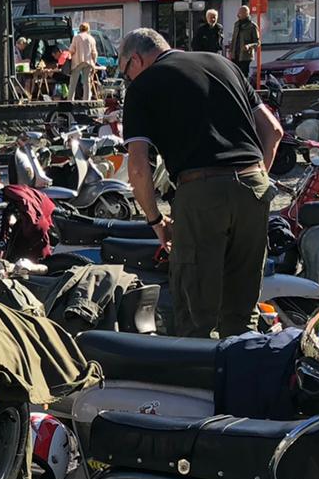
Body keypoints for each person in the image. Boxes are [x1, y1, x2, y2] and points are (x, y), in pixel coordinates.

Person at [117, 27, 283, 340]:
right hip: (255, 185)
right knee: (243, 309)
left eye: (126, 72)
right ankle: (242, 379)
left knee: (196, 312)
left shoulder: (143, 87)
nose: (128, 79)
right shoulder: (225, 64)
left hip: (200, 191)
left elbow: (138, 167)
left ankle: (199, 382)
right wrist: (255, 177)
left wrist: (155, 220)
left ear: (135, 60)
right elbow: (273, 131)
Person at [68, 20, 98, 102]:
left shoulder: (76, 37)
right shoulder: (91, 39)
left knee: (73, 82)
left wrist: (68, 55)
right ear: (88, 29)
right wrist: (94, 63)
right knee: (87, 82)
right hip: (88, 61)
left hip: (77, 61)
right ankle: (86, 100)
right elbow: (94, 52)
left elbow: (72, 50)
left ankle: (70, 100)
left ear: (80, 29)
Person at [229, 4, 260, 80]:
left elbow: (257, 42)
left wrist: (249, 46)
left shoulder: (252, 26)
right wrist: (230, 51)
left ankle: (245, 90)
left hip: (245, 56)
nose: (238, 15)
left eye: (240, 13)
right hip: (235, 55)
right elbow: (234, 39)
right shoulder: (236, 25)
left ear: (246, 14)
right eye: (238, 13)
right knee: (235, 75)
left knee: (244, 76)